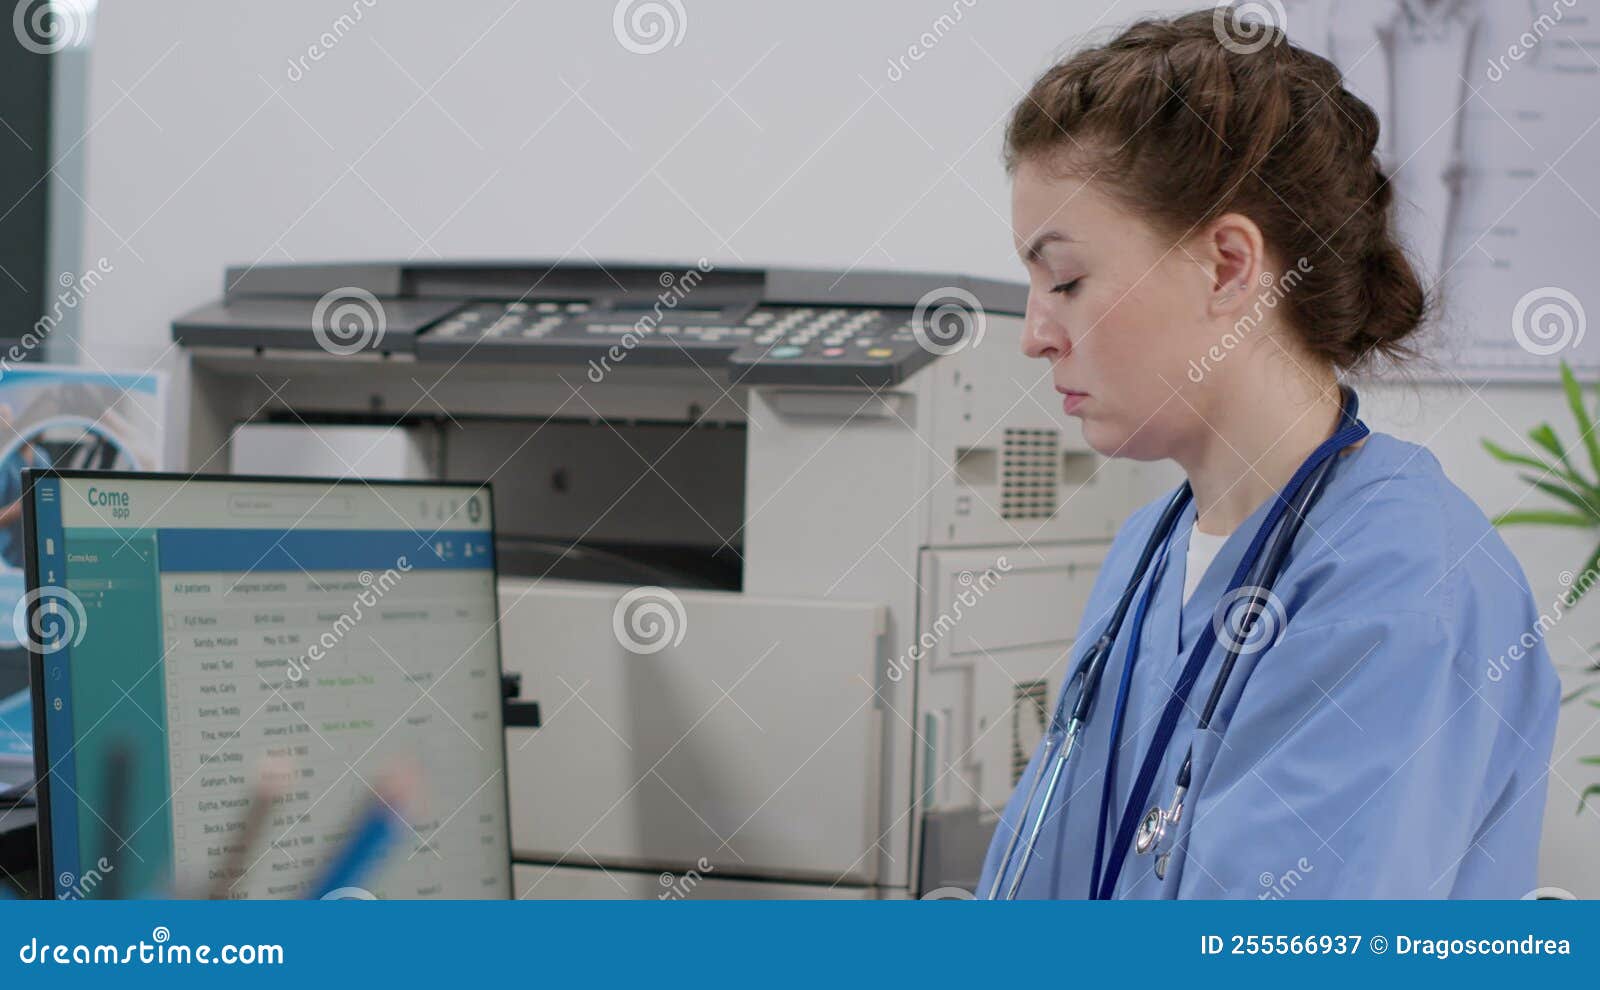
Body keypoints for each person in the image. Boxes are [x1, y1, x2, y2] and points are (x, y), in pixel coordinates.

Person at [979, 11, 1559, 899]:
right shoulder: (1146, 553)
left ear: (1227, 267)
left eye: (1066, 280)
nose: (1035, 335)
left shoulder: (1409, 582)